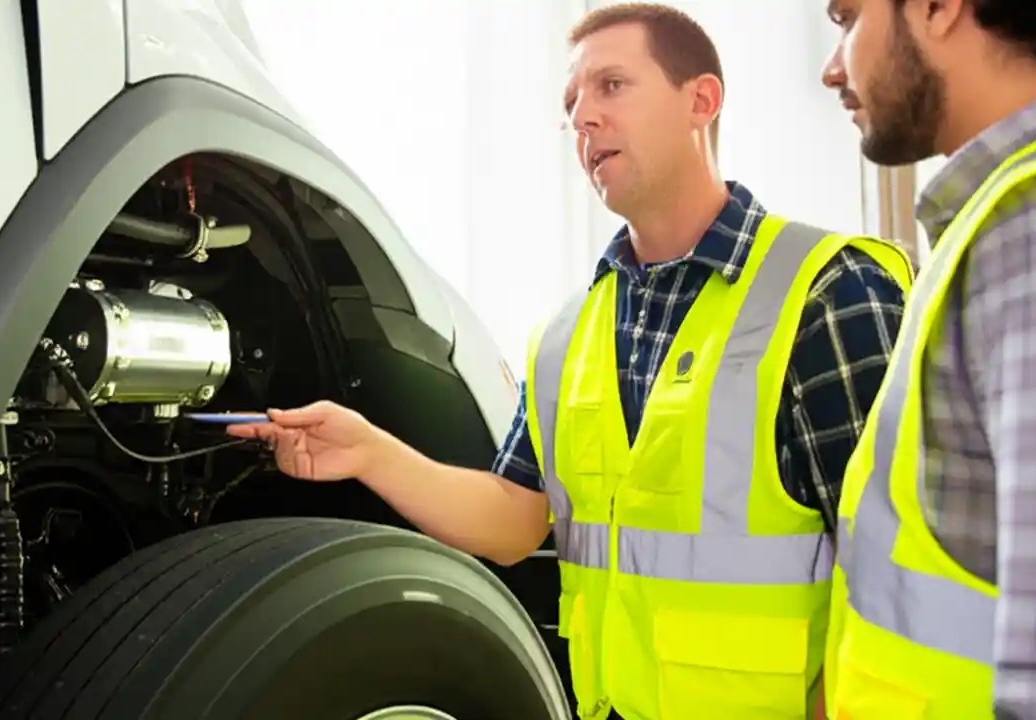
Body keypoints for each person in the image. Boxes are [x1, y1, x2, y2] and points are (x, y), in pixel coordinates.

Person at [231, 4, 911, 719]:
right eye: (571, 102)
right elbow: (513, 520)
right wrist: (367, 450)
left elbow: (898, 570)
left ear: (701, 101)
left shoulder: (827, 294)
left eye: (612, 86)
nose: (582, 118)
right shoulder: (567, 336)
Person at [818, 0, 1036, 718]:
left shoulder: (1032, 232)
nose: (832, 69)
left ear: (938, 7)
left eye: (848, 18)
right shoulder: (990, 225)